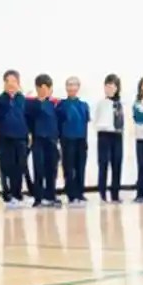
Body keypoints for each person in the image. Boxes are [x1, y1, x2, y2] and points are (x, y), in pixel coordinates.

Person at [0, 70, 30, 207]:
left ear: (18, 83)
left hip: (21, 139)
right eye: (8, 81)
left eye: (14, 81)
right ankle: (8, 196)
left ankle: (18, 195)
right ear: (4, 83)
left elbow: (28, 119)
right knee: (6, 168)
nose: (11, 84)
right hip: (5, 139)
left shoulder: (23, 100)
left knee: (20, 168)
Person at [27, 74, 62, 208]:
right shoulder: (31, 104)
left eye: (47, 87)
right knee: (38, 168)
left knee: (52, 169)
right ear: (36, 88)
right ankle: (38, 198)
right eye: (40, 87)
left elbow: (59, 121)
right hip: (38, 140)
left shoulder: (55, 104)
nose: (44, 90)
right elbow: (28, 120)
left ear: (51, 88)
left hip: (52, 140)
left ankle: (51, 196)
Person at [57, 77, 91, 206]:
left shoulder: (83, 105)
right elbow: (59, 123)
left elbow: (85, 122)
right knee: (68, 167)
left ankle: (80, 193)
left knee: (80, 167)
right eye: (69, 85)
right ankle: (71, 194)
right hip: (67, 139)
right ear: (66, 88)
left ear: (78, 87)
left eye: (74, 85)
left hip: (81, 139)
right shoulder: (61, 105)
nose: (72, 88)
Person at [92, 73, 125, 203]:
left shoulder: (120, 104)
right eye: (107, 85)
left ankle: (115, 193)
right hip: (104, 135)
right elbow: (96, 121)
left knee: (117, 164)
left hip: (117, 135)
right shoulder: (101, 103)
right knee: (103, 164)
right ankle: (102, 193)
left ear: (117, 88)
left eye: (112, 86)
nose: (109, 88)